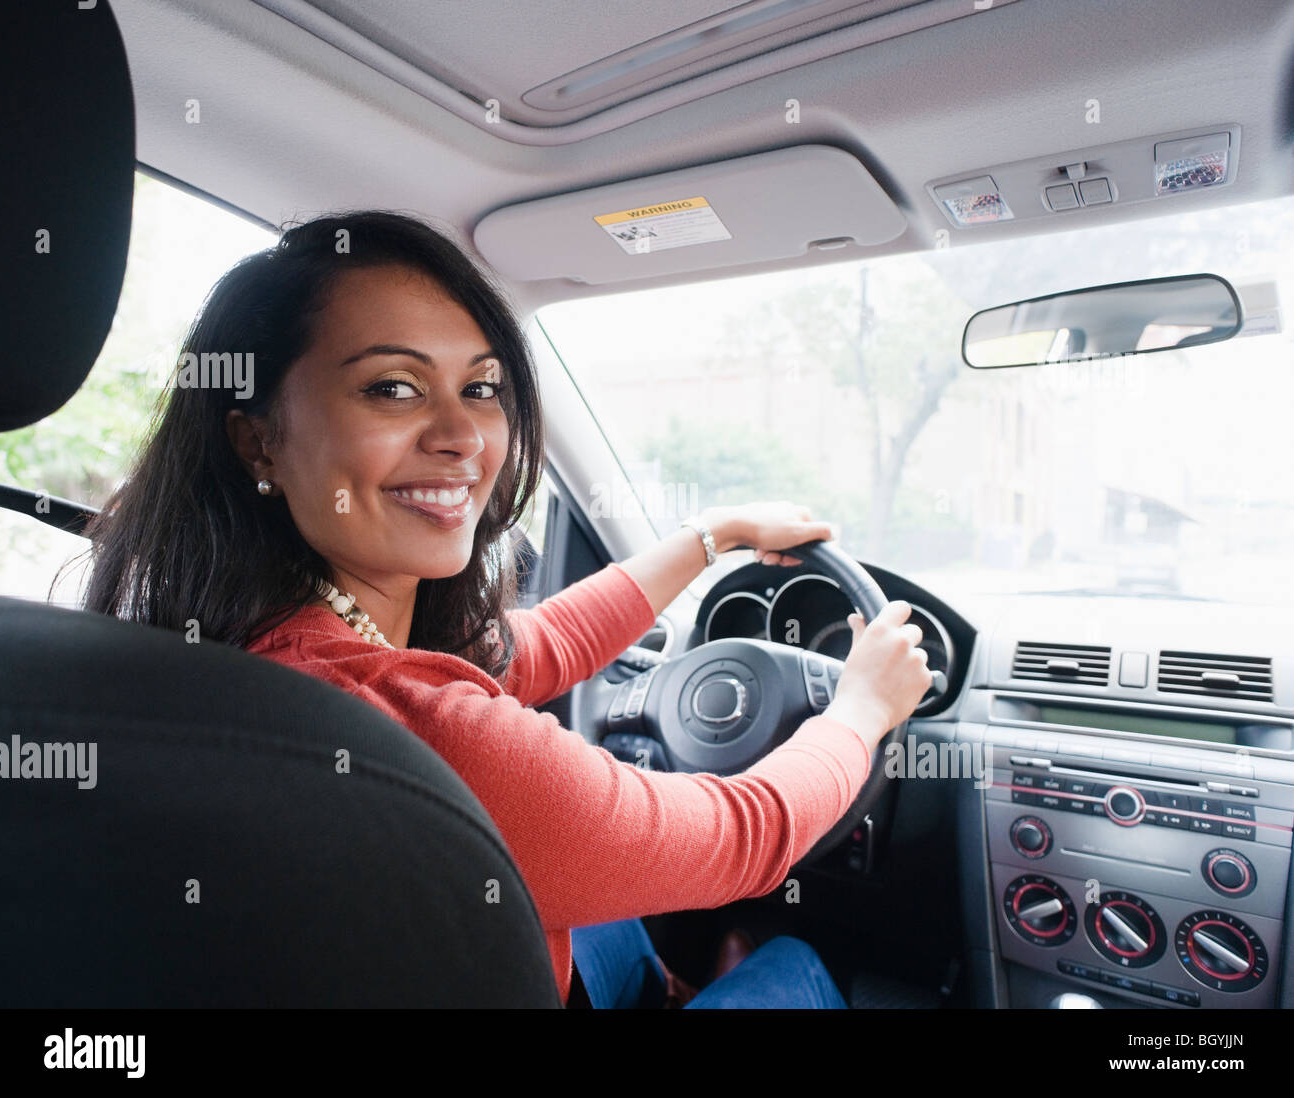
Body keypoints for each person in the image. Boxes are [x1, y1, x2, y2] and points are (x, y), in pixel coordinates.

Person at [77, 210, 933, 1008]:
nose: (464, 436)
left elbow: (541, 644)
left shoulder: (260, 640)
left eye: (481, 388)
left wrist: (712, 535)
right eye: (393, 388)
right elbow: (743, 836)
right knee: (796, 968)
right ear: (257, 437)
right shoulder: (426, 727)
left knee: (595, 904)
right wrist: (860, 709)